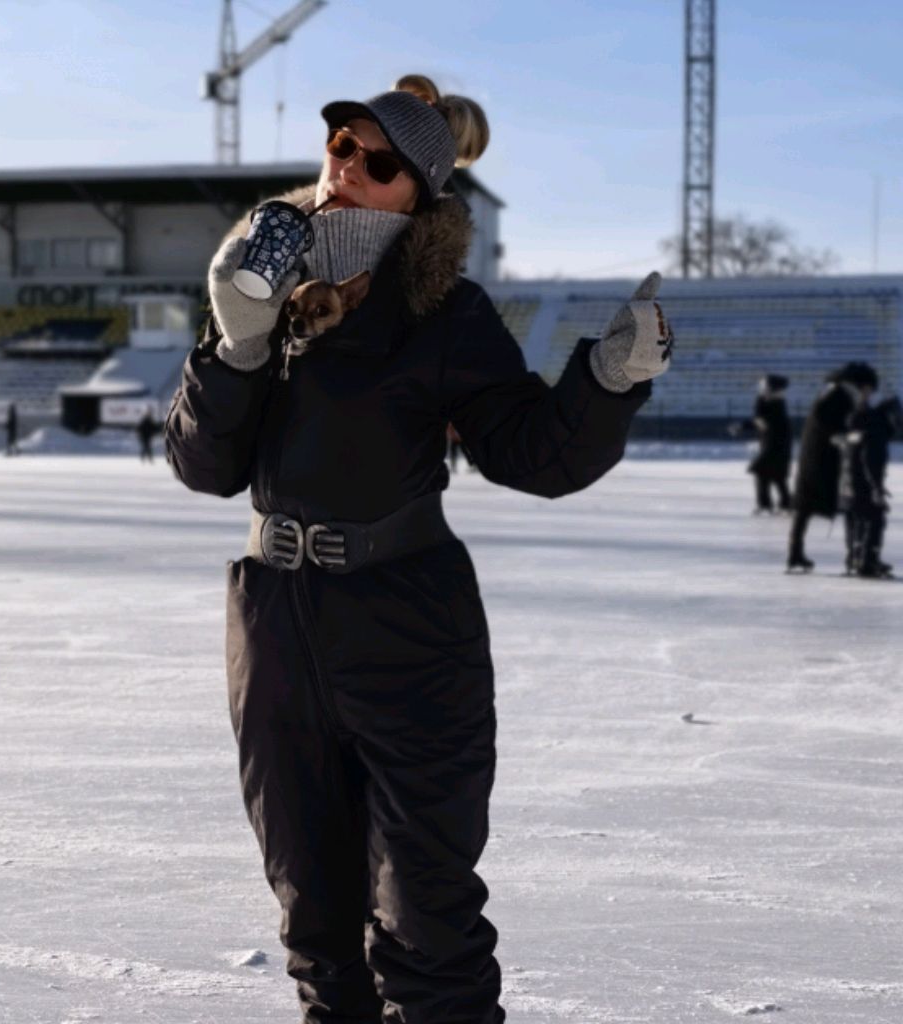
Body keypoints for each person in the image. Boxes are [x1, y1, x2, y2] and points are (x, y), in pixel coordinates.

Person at [165, 74, 674, 1024]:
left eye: (378, 160)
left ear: (418, 194)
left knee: (425, 922)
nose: (347, 168)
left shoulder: (444, 313)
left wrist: (608, 377)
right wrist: (234, 349)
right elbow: (202, 466)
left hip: (405, 627)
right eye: (340, 147)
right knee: (315, 920)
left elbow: (532, 453)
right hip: (274, 628)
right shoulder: (259, 291)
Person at [788, 362, 879, 572]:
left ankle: (796, 553)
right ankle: (853, 554)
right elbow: (824, 417)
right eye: (869, 388)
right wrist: (842, 435)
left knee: (806, 507)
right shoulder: (838, 393)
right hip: (820, 457)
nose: (869, 393)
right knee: (836, 504)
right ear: (861, 383)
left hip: (816, 456)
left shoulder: (836, 391)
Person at [838, 395, 901, 578]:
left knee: (857, 520)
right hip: (861, 485)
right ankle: (867, 562)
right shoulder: (876, 430)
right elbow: (870, 461)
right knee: (876, 518)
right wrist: (876, 488)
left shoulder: (859, 426)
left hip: (847, 485)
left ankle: (855, 559)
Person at [744, 374, 792, 514]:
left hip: (775, 444)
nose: (761, 388)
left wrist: (749, 423)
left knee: (768, 473)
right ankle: (779, 504)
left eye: (764, 385)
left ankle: (773, 504)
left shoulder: (775, 403)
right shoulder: (768, 401)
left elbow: (763, 422)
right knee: (773, 475)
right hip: (770, 443)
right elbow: (760, 422)